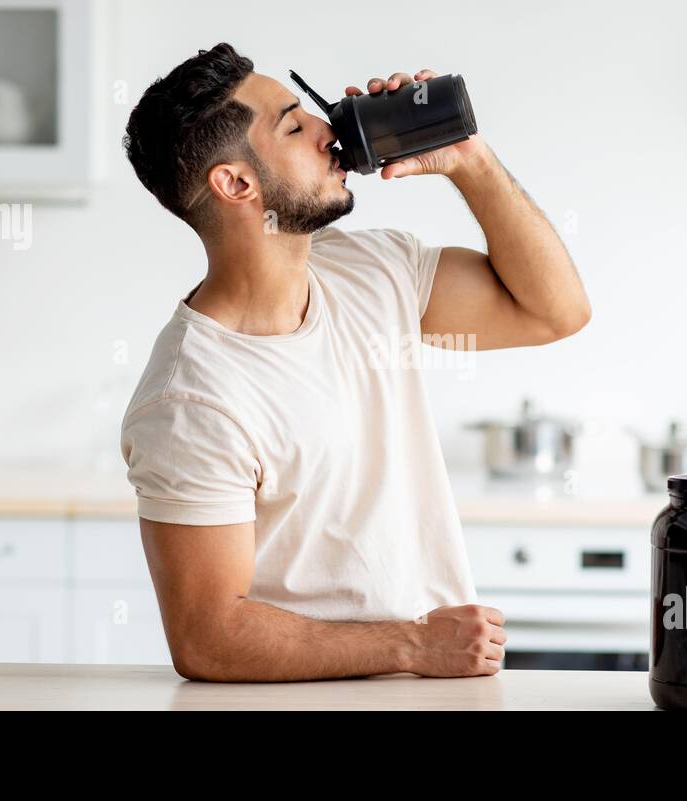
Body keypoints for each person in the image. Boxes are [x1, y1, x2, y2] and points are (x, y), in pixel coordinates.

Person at [120, 43, 590, 682]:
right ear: (236, 183)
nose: (327, 129)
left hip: (430, 692)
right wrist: (413, 645)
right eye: (293, 124)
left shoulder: (371, 270)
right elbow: (210, 638)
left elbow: (554, 311)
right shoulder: (190, 399)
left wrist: (467, 160)